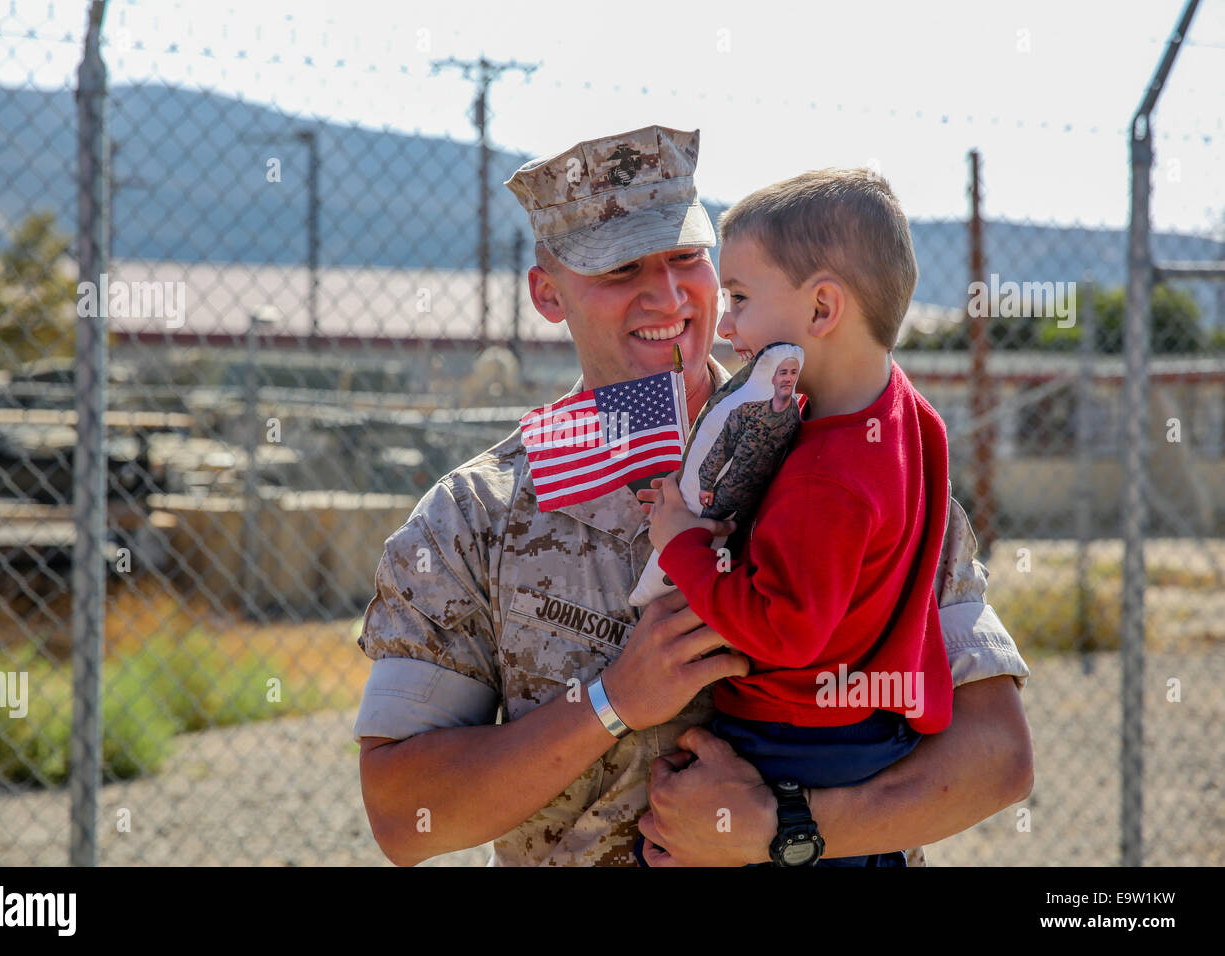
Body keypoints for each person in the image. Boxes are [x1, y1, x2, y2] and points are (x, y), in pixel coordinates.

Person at [355, 125, 1032, 867]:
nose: (668, 295)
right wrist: (609, 702)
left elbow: (996, 757)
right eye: (619, 268)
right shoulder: (477, 516)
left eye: (687, 258)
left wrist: (783, 828)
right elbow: (404, 815)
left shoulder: (855, 452)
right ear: (547, 294)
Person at [636, 169, 953, 867]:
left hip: (794, 740)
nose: (724, 325)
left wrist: (684, 541)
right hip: (872, 728)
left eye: (742, 299)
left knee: (665, 845)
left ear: (822, 310)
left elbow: (785, 630)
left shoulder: (824, 476)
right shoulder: (904, 410)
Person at [697, 356, 801, 524]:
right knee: (701, 531)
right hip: (728, 493)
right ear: (773, 379)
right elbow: (722, 447)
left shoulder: (795, 416)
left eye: (793, 373)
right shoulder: (747, 411)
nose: (788, 378)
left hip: (760, 503)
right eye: (783, 373)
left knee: (737, 547)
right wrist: (706, 485)